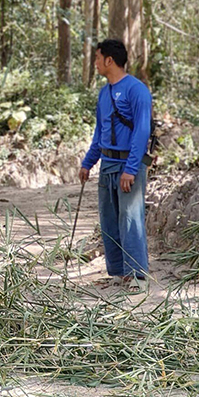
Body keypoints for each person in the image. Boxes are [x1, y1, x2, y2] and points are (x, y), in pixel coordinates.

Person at [79, 38, 153, 292]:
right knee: (109, 219)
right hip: (107, 164)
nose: (95, 62)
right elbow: (100, 132)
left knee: (130, 218)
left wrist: (131, 169)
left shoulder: (137, 90)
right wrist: (88, 163)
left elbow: (142, 132)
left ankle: (138, 275)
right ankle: (119, 272)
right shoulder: (104, 93)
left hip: (128, 166)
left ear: (109, 60)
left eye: (98, 57)